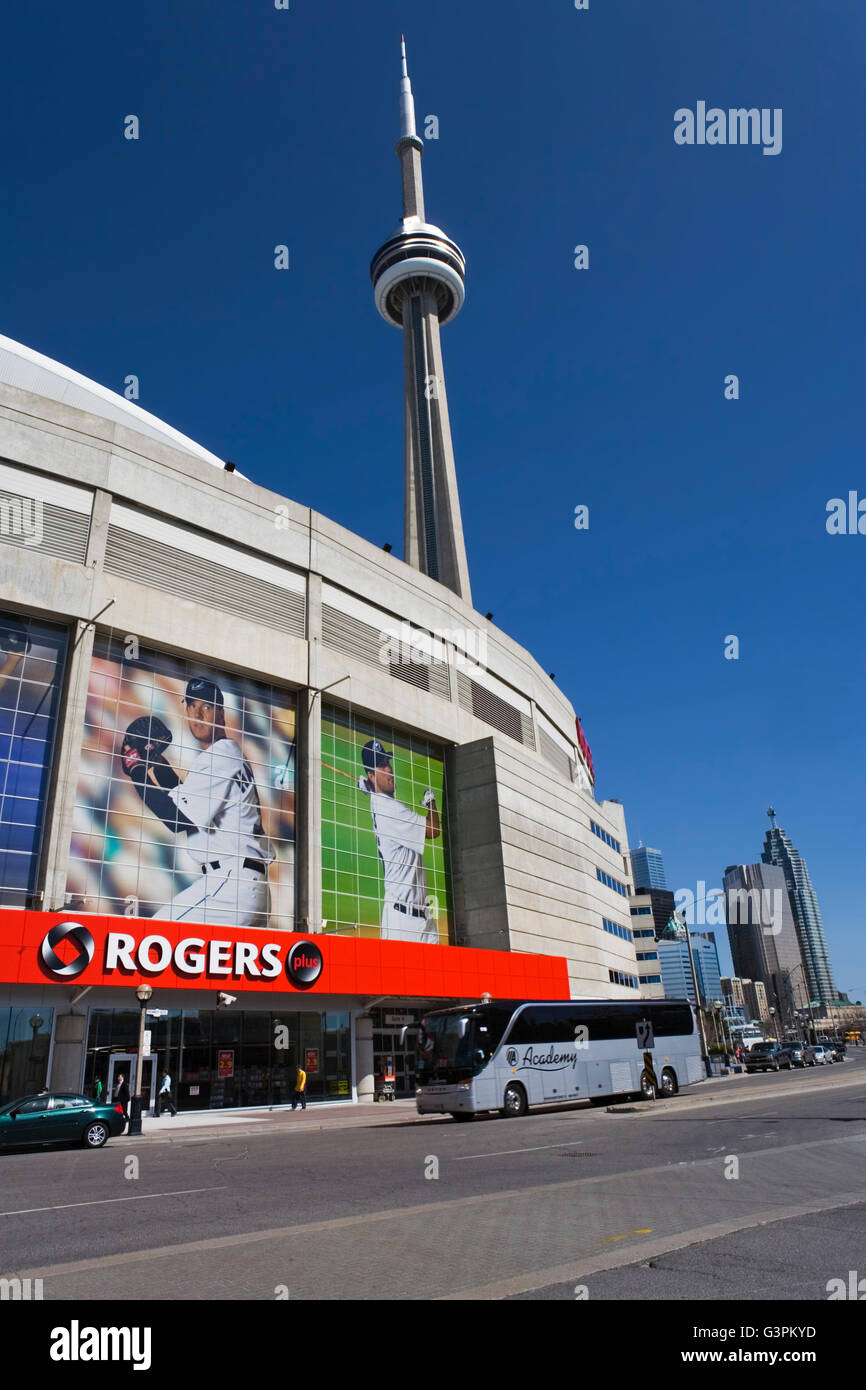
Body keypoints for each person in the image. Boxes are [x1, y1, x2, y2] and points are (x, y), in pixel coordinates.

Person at [121, 677, 273, 928]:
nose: (198, 714)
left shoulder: (218, 757)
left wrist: (137, 769)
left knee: (152, 933)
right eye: (191, 706)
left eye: (207, 707)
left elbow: (175, 818)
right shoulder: (225, 755)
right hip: (243, 884)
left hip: (230, 885)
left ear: (221, 715)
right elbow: (180, 797)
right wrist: (157, 762)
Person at [356, 739, 440, 943]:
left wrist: (371, 791)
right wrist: (431, 801)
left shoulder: (381, 803)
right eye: (382, 765)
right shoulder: (389, 809)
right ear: (371, 775)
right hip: (403, 922)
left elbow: (380, 801)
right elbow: (434, 829)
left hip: (422, 917)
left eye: (388, 762)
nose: (389, 769)